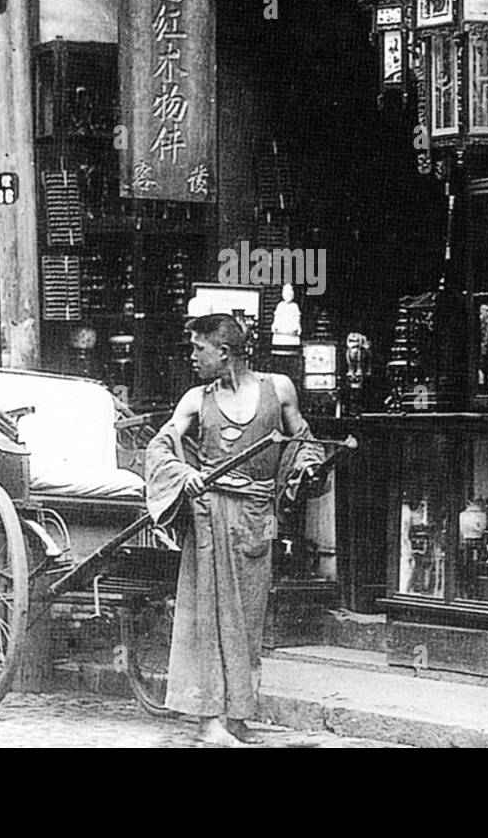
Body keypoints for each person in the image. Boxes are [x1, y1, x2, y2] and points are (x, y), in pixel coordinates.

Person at [145, 313, 323, 746]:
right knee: (207, 618)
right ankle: (208, 720)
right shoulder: (194, 399)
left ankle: (238, 714)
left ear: (223, 352)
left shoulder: (277, 389)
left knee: (247, 621)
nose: (191, 357)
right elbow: (160, 445)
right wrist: (180, 472)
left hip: (257, 519)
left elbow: (303, 441)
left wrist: (308, 465)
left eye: (197, 348)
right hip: (210, 514)